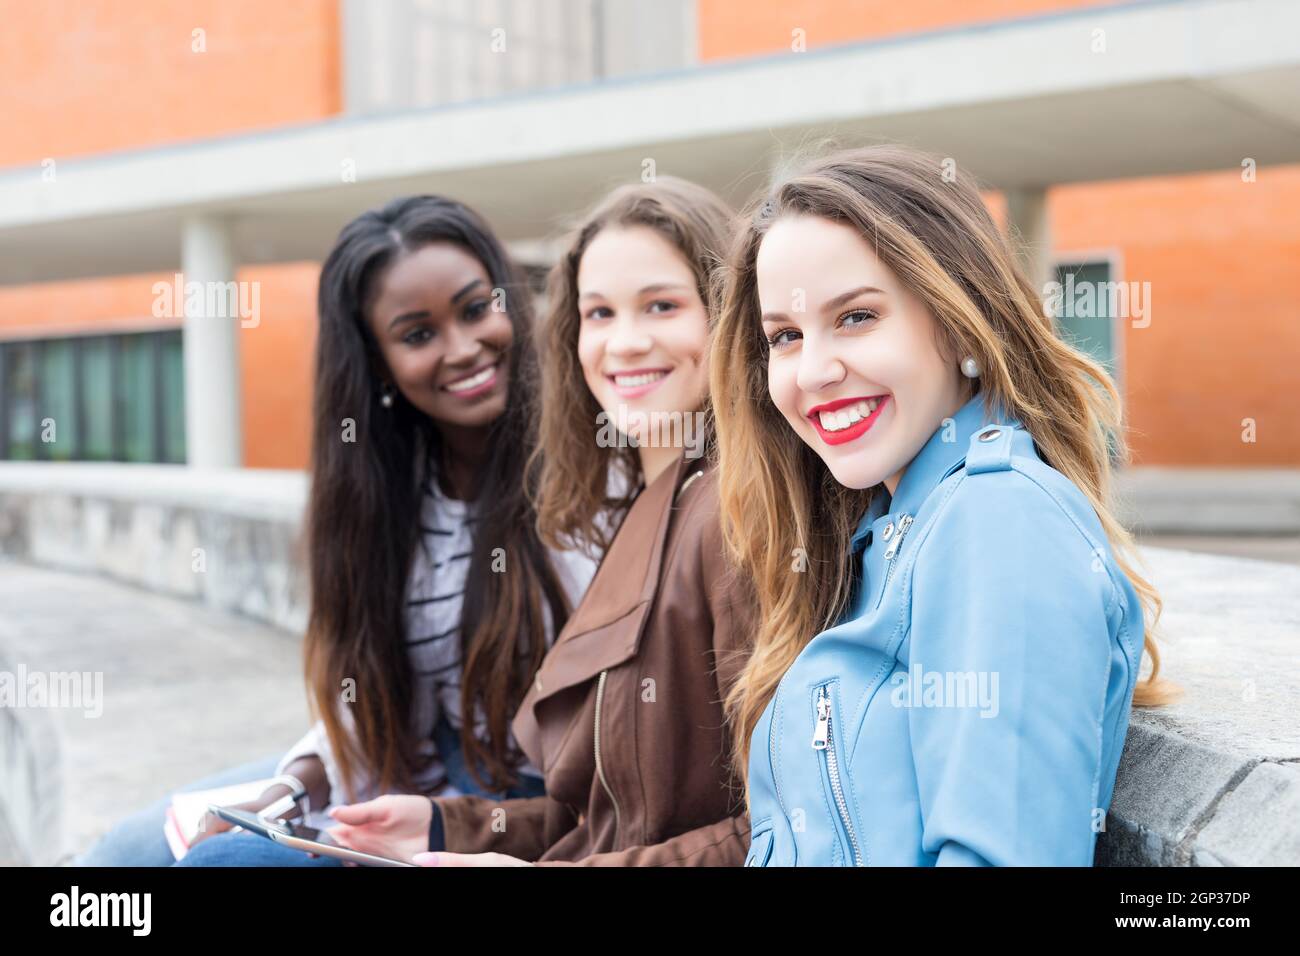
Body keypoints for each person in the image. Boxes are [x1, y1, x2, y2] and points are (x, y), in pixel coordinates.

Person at [80, 196, 595, 867]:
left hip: (508, 814)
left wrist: (447, 824)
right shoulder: (383, 489)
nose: (464, 348)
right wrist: (293, 788)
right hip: (393, 779)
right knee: (119, 857)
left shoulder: (583, 475)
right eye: (418, 335)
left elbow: (612, 767)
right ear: (378, 363)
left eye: (475, 309)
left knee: (219, 866)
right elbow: (369, 696)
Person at [709, 145, 1180, 867]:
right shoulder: (879, 543)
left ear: (960, 320)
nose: (815, 370)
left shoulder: (1000, 522)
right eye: (785, 336)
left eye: (858, 316)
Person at [326, 177, 757, 866]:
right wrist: (448, 827)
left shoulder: (735, 515)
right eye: (600, 314)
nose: (625, 343)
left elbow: (786, 826)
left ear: (727, 312)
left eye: (662, 306)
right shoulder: (645, 503)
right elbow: (605, 815)